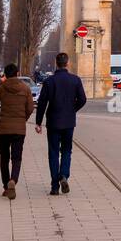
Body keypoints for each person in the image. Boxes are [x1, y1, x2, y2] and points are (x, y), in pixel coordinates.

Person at [35, 51, 87, 196]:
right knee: (66, 151)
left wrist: (38, 122)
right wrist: (72, 110)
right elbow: (83, 99)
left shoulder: (49, 81)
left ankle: (54, 186)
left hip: (53, 122)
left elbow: (42, 103)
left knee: (53, 153)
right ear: (67, 63)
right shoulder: (75, 80)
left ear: (56, 63)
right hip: (69, 122)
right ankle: (64, 175)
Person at [0, 63, 34, 200]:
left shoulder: (2, 87)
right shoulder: (25, 88)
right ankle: (13, 180)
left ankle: (5, 186)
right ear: (18, 73)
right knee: (16, 157)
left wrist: (1, 83)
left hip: (4, 129)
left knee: (4, 158)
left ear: (5, 75)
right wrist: (23, 119)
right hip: (19, 129)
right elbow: (30, 108)